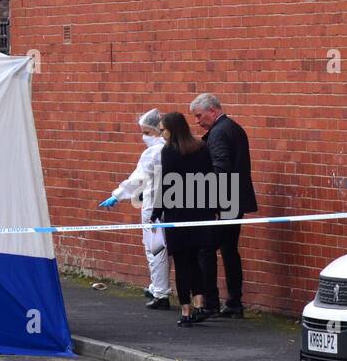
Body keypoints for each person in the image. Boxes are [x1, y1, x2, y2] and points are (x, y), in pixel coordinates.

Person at [190, 92, 258, 318]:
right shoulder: (234, 128)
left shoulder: (218, 133)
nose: (197, 121)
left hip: (222, 203)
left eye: (199, 116)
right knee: (229, 250)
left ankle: (210, 303)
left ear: (212, 110)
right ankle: (234, 302)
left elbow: (221, 169)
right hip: (236, 200)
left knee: (206, 249)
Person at [97, 109, 171, 309]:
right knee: (163, 250)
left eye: (147, 132)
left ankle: (160, 293)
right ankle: (158, 287)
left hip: (154, 207)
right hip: (171, 205)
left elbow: (139, 178)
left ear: (157, 130)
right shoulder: (172, 147)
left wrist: (117, 194)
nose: (144, 136)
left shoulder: (154, 152)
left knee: (155, 250)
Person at [153, 111, 217, 327]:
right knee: (196, 260)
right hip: (200, 212)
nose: (161, 134)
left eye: (162, 130)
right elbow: (211, 179)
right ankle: (200, 304)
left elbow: (166, 184)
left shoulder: (169, 151)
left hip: (177, 213)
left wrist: (156, 211)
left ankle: (186, 311)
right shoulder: (201, 147)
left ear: (172, 129)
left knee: (182, 262)